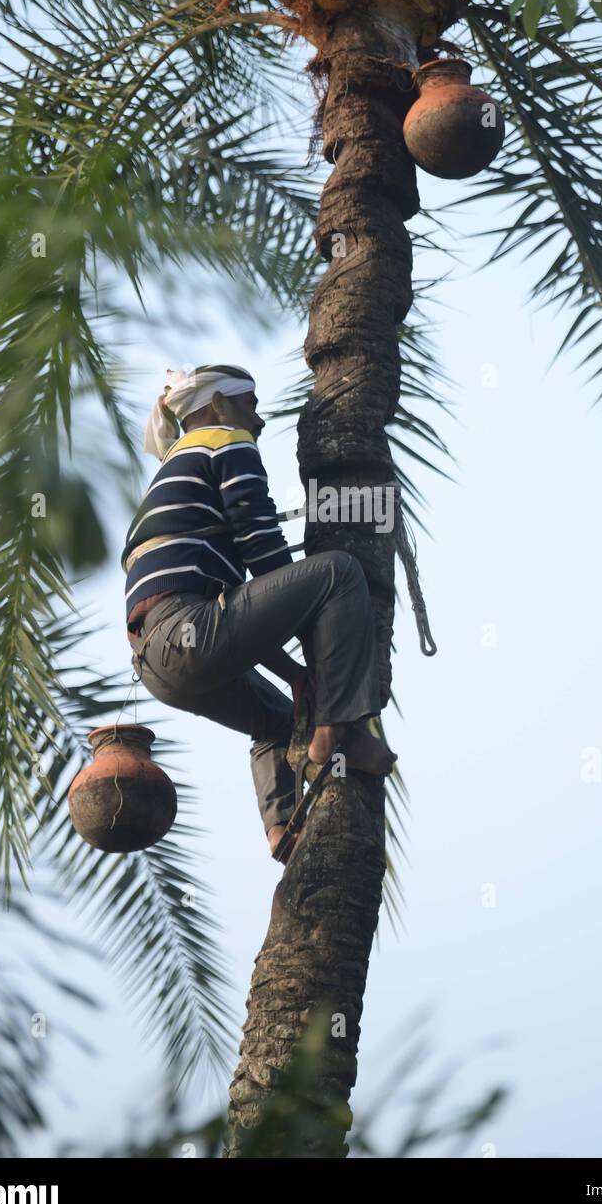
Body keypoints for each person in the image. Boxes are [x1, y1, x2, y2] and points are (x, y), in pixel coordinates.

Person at [123, 363, 396, 863]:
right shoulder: (224, 440)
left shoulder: (174, 466)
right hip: (189, 627)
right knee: (339, 572)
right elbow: (261, 546)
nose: (260, 419)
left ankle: (280, 830)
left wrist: (295, 675)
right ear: (220, 405)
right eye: (251, 404)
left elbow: (238, 606)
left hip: (159, 664)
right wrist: (318, 641)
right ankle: (338, 731)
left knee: (275, 720)